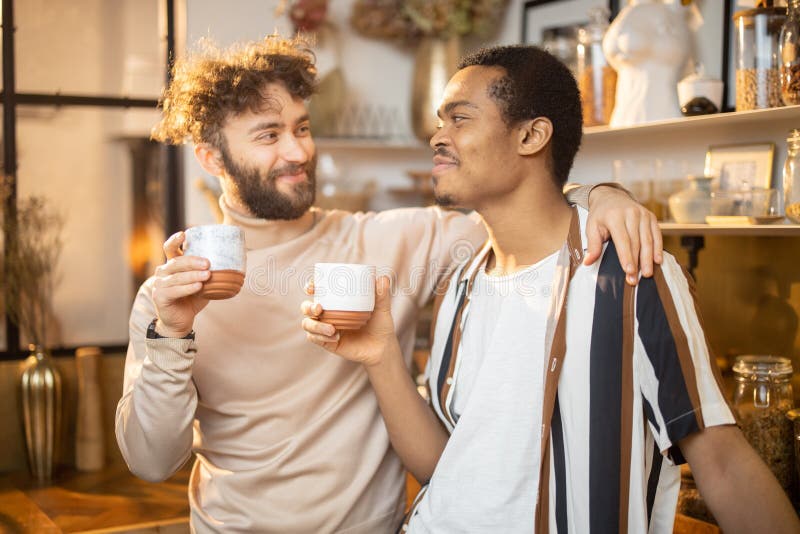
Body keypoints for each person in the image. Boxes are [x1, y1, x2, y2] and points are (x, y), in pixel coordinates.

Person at [115, 35, 663, 533]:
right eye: (269, 135)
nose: (299, 151)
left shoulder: (392, 243)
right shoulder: (174, 294)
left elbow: (526, 208)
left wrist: (598, 195)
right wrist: (171, 332)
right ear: (212, 157)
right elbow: (150, 460)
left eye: (302, 128)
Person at [301, 45, 800, 533]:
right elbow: (443, 464)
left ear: (532, 135)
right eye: (440, 120)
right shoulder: (462, 284)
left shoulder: (630, 275)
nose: (437, 136)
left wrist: (600, 193)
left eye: (460, 119)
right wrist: (381, 354)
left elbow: (722, 463)